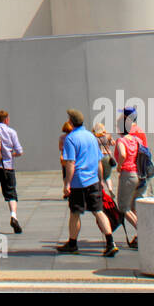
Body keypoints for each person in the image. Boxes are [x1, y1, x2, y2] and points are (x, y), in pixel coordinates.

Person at [58, 109, 118, 256]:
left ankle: (72, 243)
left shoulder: (71, 139)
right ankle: (110, 243)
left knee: (75, 213)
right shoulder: (91, 137)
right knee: (98, 211)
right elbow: (98, 162)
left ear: (71, 122)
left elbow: (70, 163)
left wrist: (67, 184)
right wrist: (101, 180)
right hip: (94, 181)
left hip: (78, 182)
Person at [112, 126, 142, 247]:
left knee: (123, 207)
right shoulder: (135, 140)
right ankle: (142, 233)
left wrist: (119, 166)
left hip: (127, 174)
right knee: (132, 207)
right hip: (137, 174)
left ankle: (142, 231)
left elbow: (123, 154)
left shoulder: (121, 140)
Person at [92, 123, 116, 197]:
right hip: (107, 156)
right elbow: (113, 143)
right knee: (108, 176)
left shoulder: (93, 138)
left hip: (98, 157)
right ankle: (110, 189)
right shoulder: (107, 136)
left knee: (99, 175)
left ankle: (101, 191)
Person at [58, 120, 73, 198]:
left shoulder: (62, 137)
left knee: (65, 175)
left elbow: (60, 148)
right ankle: (72, 189)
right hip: (73, 158)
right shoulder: (73, 136)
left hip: (64, 157)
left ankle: (66, 190)